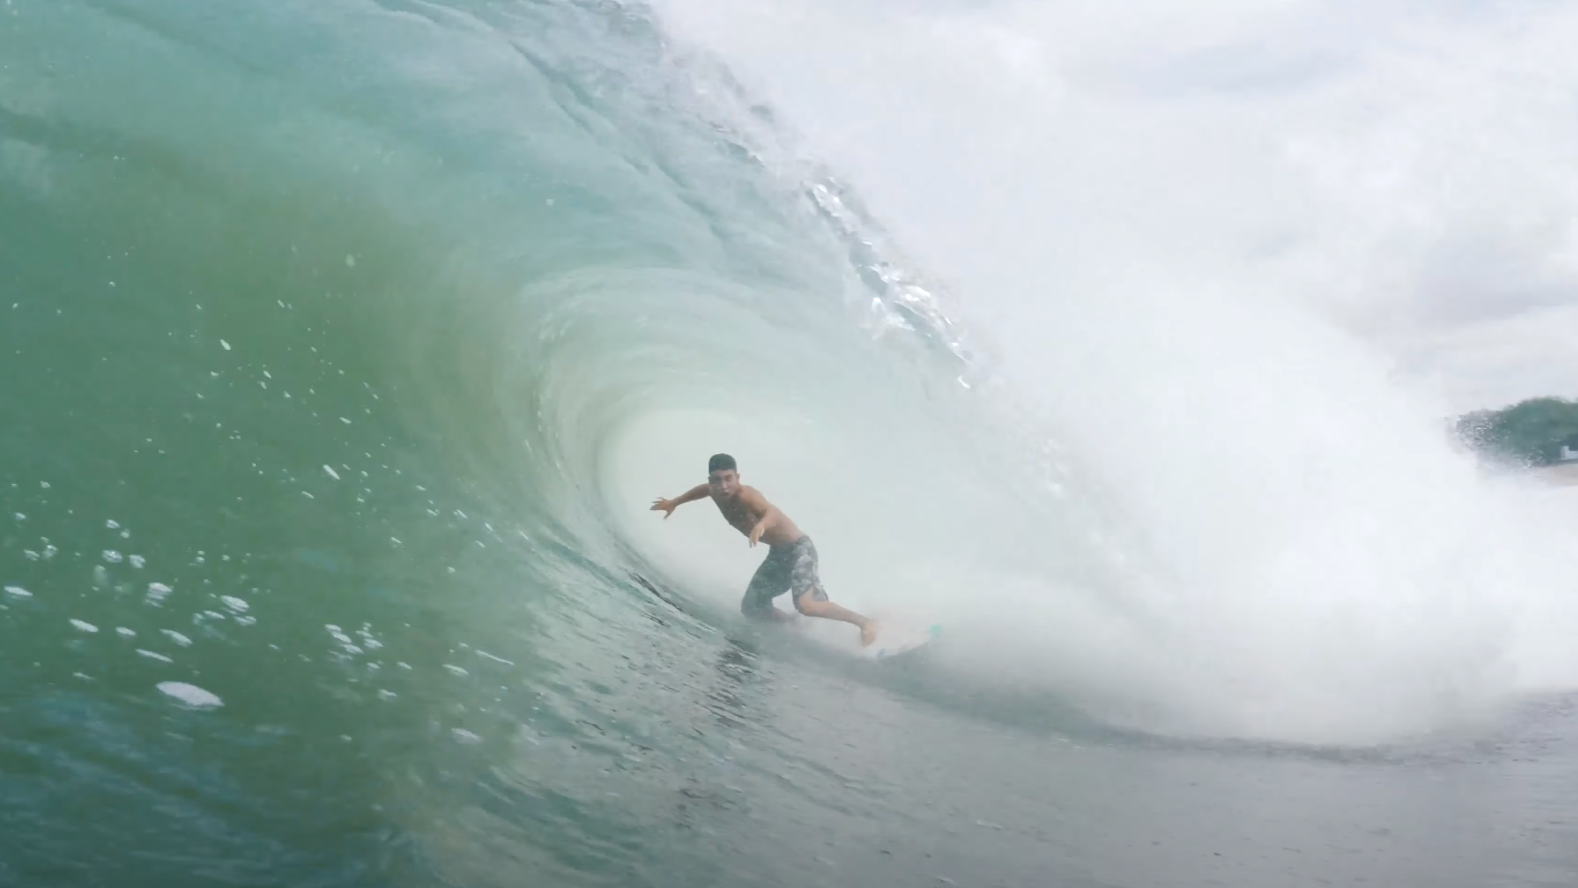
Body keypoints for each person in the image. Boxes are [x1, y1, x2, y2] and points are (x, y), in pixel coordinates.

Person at [651, 454, 879, 646]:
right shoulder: (713, 490)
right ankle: (794, 628)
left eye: (729, 479)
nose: (723, 486)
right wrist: (674, 502)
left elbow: (774, 513)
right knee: (752, 607)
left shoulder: (746, 495)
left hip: (800, 549)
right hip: (779, 554)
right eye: (717, 480)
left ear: (737, 477)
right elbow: (700, 491)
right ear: (711, 480)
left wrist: (761, 524)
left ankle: (865, 622)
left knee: (806, 605)